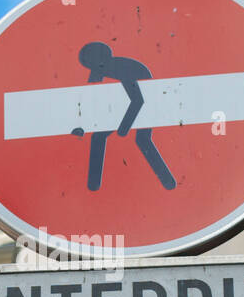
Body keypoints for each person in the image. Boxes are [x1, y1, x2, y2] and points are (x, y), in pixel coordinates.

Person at [72, 41, 176, 192]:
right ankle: (93, 187)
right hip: (123, 101)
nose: (92, 70)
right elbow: (91, 97)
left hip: (147, 100)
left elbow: (138, 100)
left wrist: (124, 127)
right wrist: (82, 125)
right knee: (98, 137)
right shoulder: (99, 69)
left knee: (142, 139)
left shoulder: (122, 69)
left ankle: (169, 183)